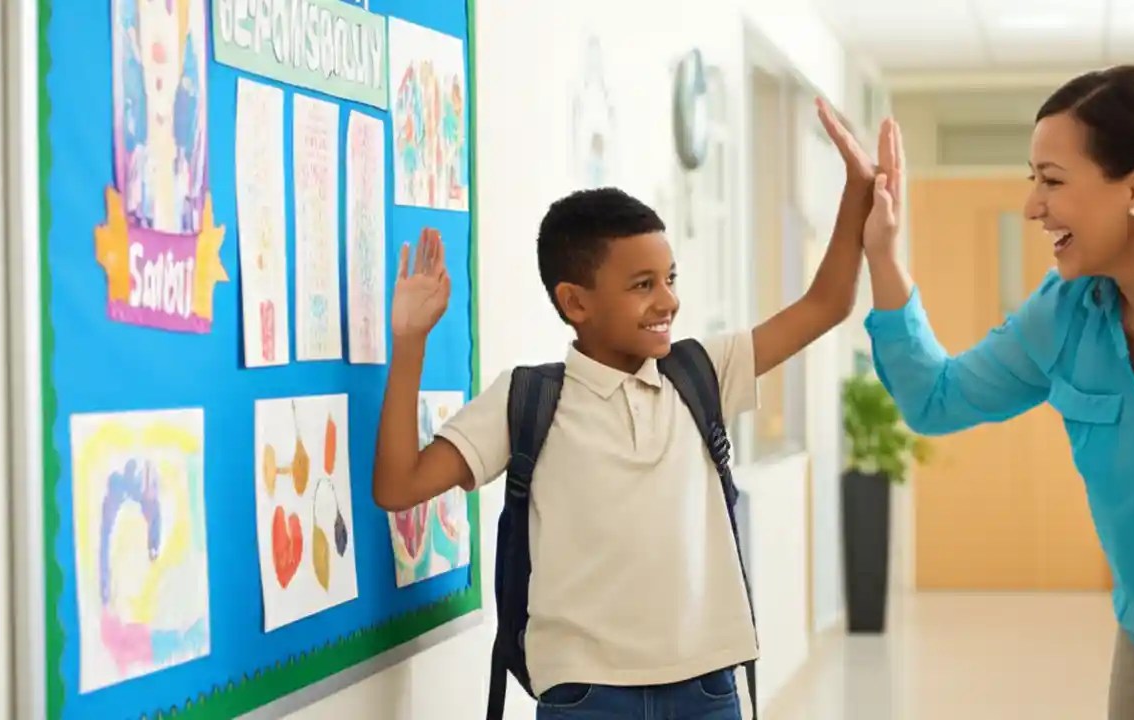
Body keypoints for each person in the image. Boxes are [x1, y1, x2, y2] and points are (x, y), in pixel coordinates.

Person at [371, 100, 888, 718]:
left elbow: (827, 304)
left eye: (670, 278)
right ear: (576, 303)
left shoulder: (703, 372)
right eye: (643, 285)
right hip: (585, 697)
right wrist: (410, 342)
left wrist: (857, 192)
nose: (667, 300)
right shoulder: (527, 399)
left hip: (706, 690)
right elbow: (399, 486)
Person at [857, 64, 1134, 719]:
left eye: (1053, 181)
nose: (1033, 206)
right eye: (1033, 180)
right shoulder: (1064, 314)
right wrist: (884, 256)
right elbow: (935, 399)